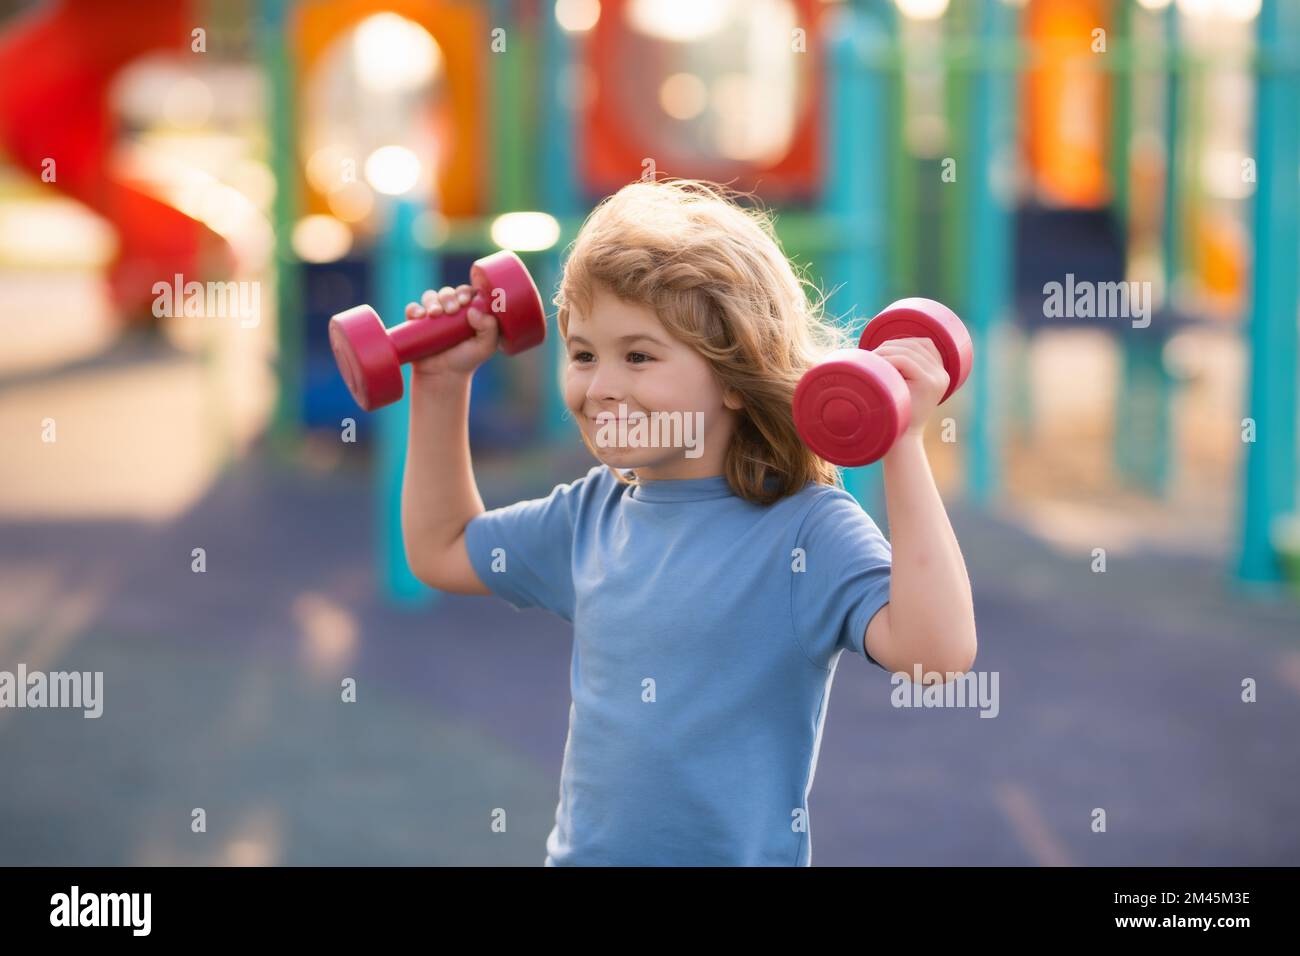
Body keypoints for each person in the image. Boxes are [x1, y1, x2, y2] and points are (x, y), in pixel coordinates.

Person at [401, 178, 977, 865]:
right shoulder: (591, 515)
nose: (602, 385)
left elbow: (937, 656)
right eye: (584, 354)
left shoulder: (803, 531)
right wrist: (440, 386)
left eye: (638, 355)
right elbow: (442, 549)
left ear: (735, 377)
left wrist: (902, 444)